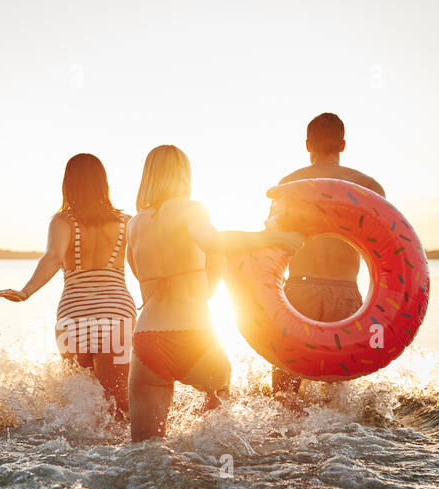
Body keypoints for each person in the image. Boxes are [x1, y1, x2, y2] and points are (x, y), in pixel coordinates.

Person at [127, 145, 304, 441]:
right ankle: (207, 466)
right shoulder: (191, 208)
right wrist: (271, 238)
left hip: (146, 340)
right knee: (219, 391)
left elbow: (140, 275)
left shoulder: (134, 224)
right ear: (184, 175)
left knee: (144, 449)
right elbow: (212, 243)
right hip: (191, 333)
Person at [0, 154, 136, 420]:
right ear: (103, 182)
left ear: (68, 184)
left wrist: (26, 292)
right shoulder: (126, 222)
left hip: (74, 316)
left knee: (79, 406)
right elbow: (142, 264)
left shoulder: (62, 221)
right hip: (116, 313)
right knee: (120, 405)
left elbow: (53, 258)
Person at [271, 113, 385, 406]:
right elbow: (386, 247)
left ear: (307, 145)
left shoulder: (288, 186)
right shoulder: (368, 186)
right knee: (337, 400)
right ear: (343, 145)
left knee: (284, 395)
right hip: (346, 295)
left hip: (298, 292)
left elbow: (270, 243)